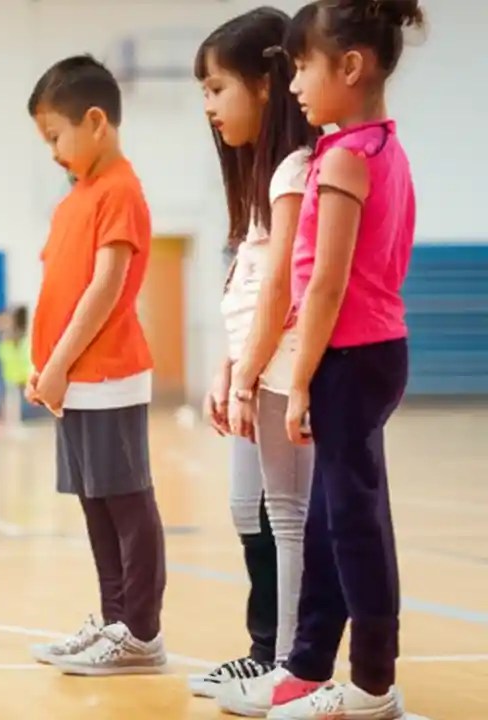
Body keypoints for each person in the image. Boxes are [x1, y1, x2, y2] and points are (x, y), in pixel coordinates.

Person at [232, 2, 423, 718]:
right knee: (330, 517)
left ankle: (373, 684)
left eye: (303, 67)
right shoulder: (381, 148)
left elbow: (326, 285)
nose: (293, 86)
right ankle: (308, 667)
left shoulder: (345, 157)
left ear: (351, 66)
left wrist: (303, 379)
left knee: (354, 522)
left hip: (352, 356)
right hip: (372, 352)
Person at [190, 6, 321, 702]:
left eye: (217, 88)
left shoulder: (300, 171)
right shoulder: (260, 180)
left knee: (288, 516)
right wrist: (228, 366)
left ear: (265, 85)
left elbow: (286, 289)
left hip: (283, 371)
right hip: (254, 367)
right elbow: (246, 284)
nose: (209, 107)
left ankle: (291, 664)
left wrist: (250, 374)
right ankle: (266, 650)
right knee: (251, 508)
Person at [22, 55, 168, 675]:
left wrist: (56, 365)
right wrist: (47, 368)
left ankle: (142, 631)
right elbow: (60, 285)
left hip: (106, 375)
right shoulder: (74, 199)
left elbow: (106, 287)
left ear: (96, 121)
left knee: (127, 505)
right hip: (72, 382)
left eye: (56, 136)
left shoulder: (121, 191)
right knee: (94, 502)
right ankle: (115, 623)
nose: (52, 151)